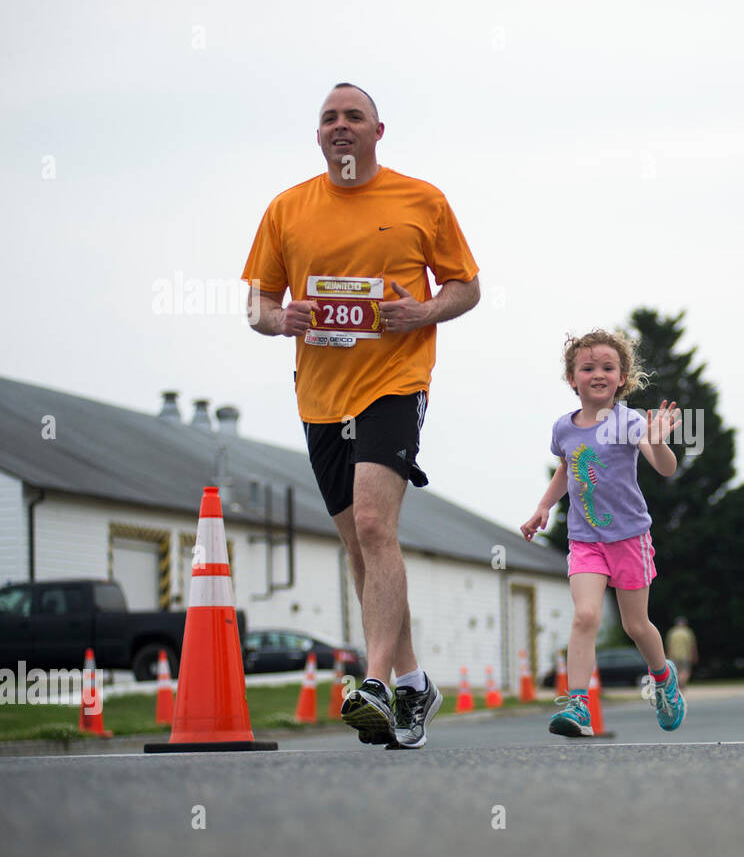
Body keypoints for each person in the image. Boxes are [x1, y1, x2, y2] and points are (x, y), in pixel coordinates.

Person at [242, 83, 481, 748]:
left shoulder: (421, 200)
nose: (340, 126)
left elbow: (467, 286)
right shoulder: (287, 210)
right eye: (328, 118)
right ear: (318, 136)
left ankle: (374, 682)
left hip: (395, 383)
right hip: (320, 396)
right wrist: (277, 318)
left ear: (380, 131)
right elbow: (258, 305)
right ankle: (412, 683)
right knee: (361, 547)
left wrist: (423, 311)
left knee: (376, 523)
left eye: (353, 116)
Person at [521, 330, 686, 736]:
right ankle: (578, 706)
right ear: (572, 377)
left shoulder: (628, 421)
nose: (598, 374)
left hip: (629, 539)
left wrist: (659, 442)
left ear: (622, 377)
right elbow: (566, 468)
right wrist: (543, 506)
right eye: (588, 367)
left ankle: (663, 679)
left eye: (608, 367)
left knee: (636, 626)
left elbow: (664, 467)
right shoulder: (564, 428)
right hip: (585, 541)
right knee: (586, 615)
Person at [665, 617, 699, 684]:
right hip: (686, 655)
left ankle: (679, 682)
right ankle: (682, 682)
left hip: (674, 655)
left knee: (676, 671)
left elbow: (669, 645)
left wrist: (668, 655)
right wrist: (695, 655)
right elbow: (692, 645)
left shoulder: (672, 632)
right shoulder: (688, 632)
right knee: (685, 670)